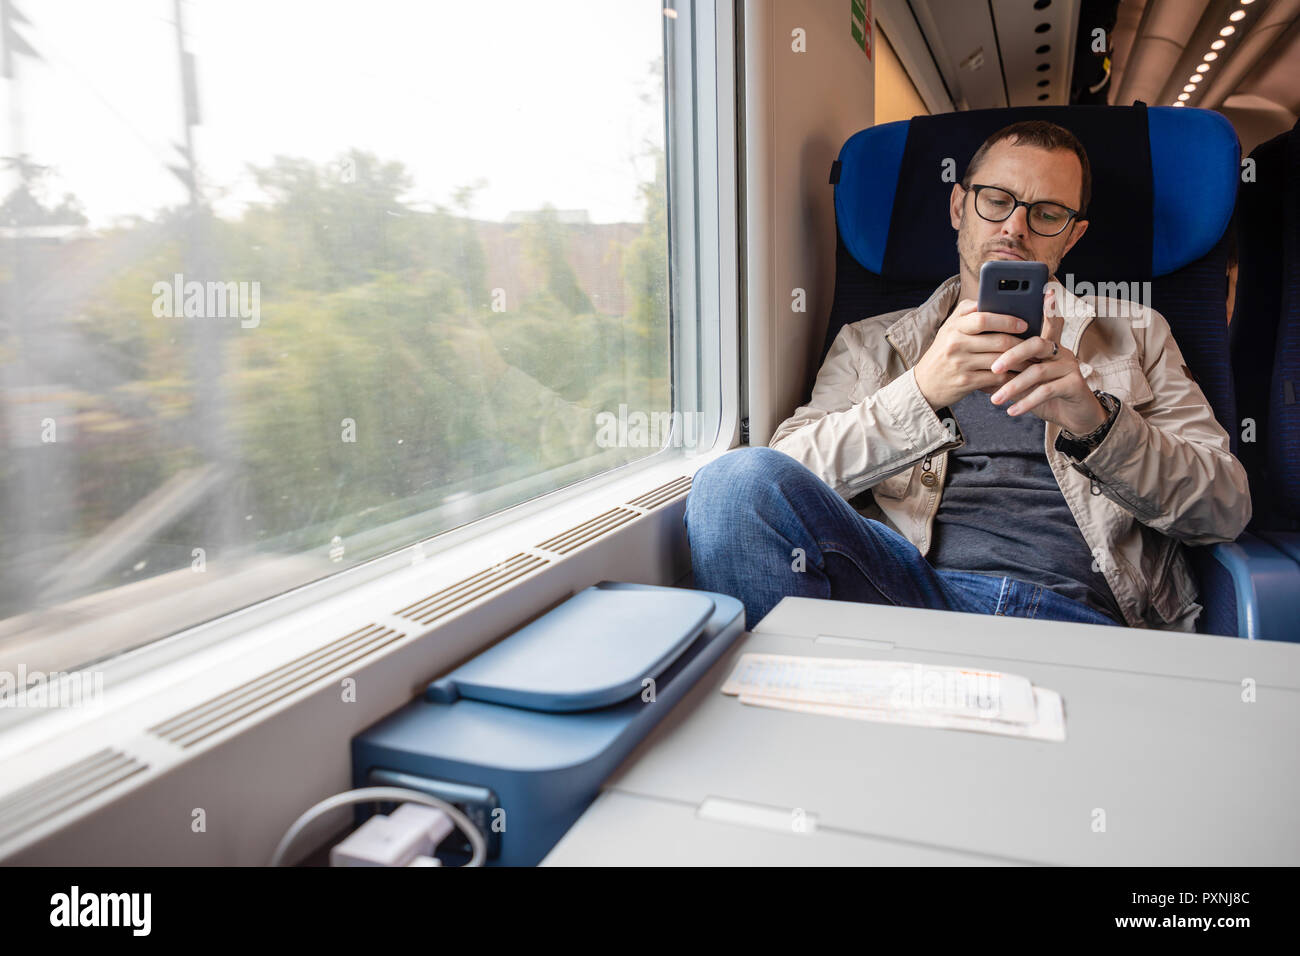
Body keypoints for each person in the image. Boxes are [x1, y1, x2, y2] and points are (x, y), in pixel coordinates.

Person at [686, 121, 1251, 631]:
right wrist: (921, 391)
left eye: (1047, 213)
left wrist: (1099, 425)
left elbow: (1224, 506)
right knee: (732, 482)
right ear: (959, 207)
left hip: (1078, 616)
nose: (1016, 227)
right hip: (910, 600)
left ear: (1072, 235)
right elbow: (783, 475)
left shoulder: (1136, 330)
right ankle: (793, 725)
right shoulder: (870, 342)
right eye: (996, 201)